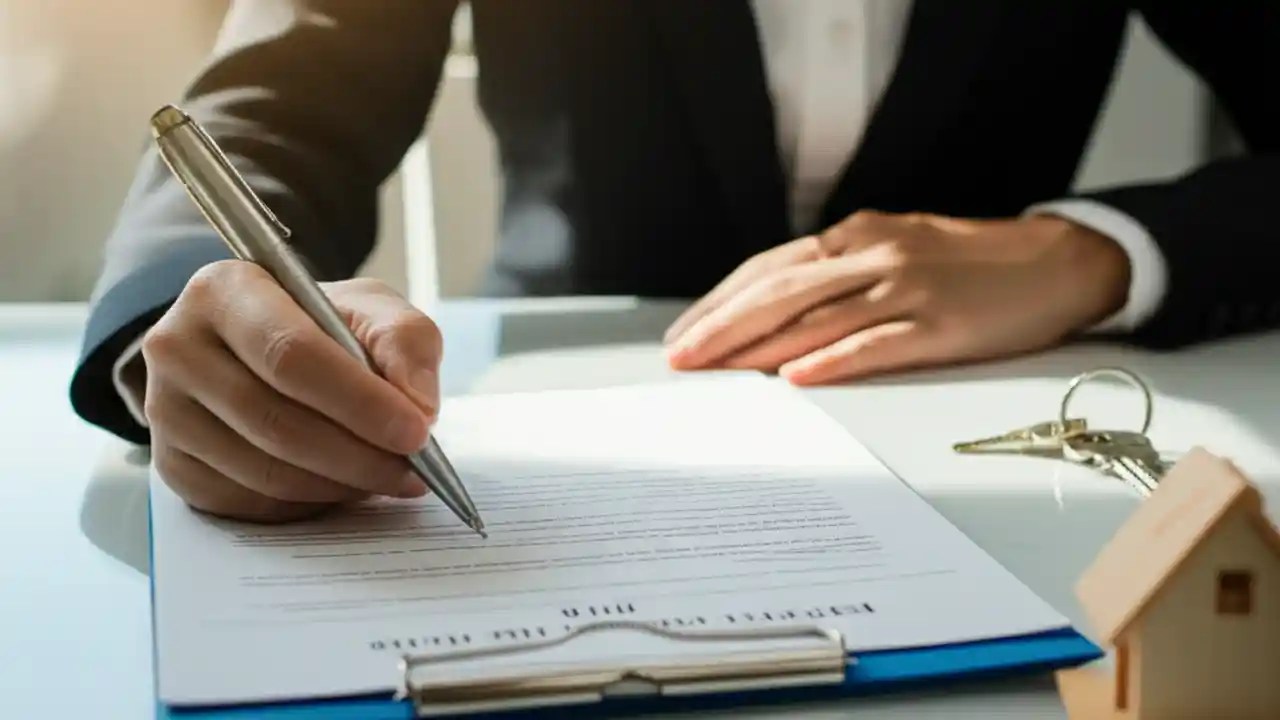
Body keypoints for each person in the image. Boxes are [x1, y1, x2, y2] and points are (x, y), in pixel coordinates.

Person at [70, 2, 1280, 522]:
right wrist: (183, 314)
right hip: (554, 411)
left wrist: (1091, 253)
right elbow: (272, 103)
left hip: (1010, 446)